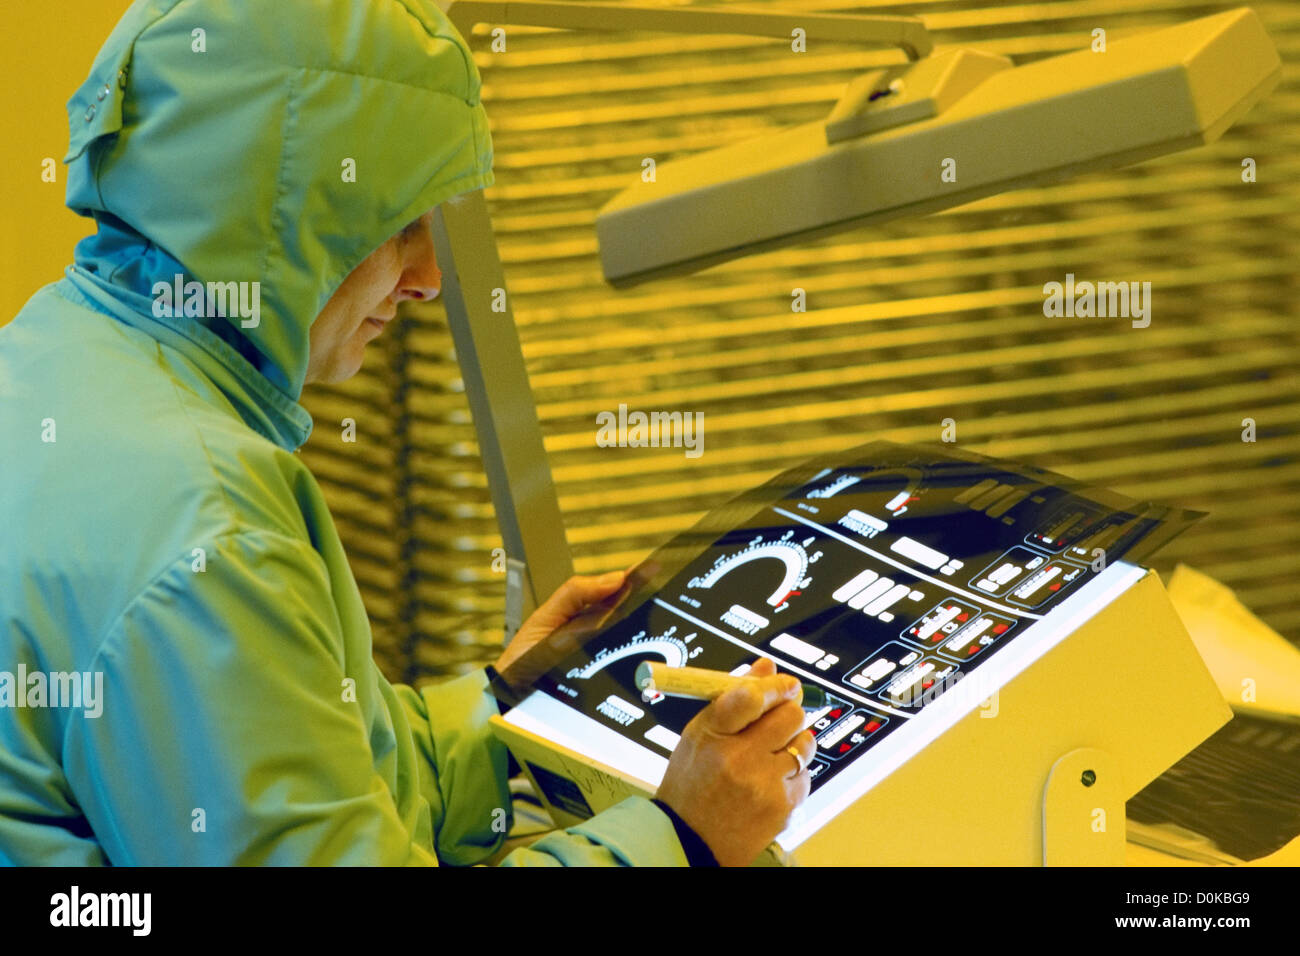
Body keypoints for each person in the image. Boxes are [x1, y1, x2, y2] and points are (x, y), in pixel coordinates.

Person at [0, 0, 813, 866]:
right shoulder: (207, 529)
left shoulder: (53, 361)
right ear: (271, 216)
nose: (427, 279)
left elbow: (312, 783)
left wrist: (509, 699)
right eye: (398, 225)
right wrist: (684, 837)